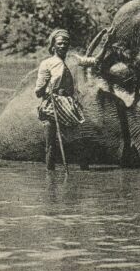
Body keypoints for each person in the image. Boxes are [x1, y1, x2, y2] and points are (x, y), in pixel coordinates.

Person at [35, 29, 100, 171]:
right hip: (51, 105)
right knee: (50, 143)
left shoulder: (72, 60)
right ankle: (50, 175)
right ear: (53, 46)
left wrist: (105, 45)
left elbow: (93, 60)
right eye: (59, 43)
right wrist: (47, 87)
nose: (63, 46)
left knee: (79, 140)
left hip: (67, 105)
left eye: (65, 43)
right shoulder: (47, 63)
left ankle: (84, 172)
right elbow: (38, 91)